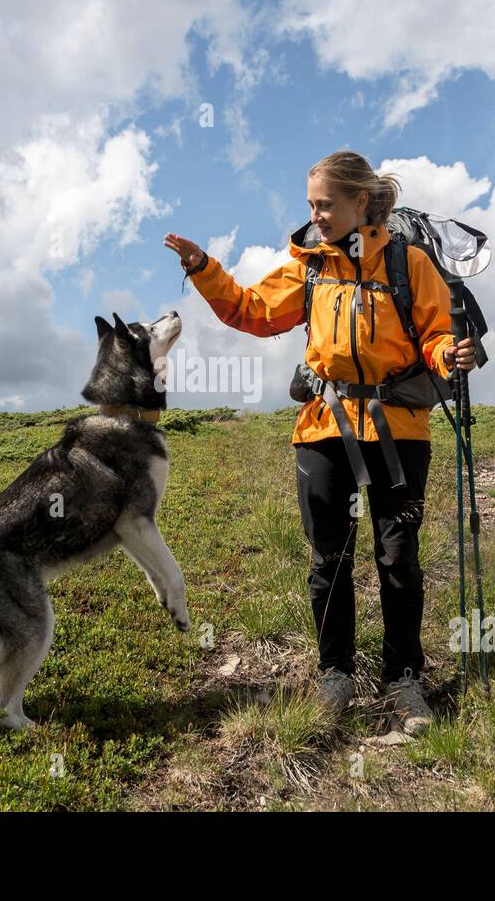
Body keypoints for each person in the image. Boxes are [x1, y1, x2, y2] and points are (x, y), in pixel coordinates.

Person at [164, 150, 476, 734]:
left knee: (399, 559)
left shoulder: (409, 266)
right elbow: (250, 312)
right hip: (323, 429)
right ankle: (335, 675)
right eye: (311, 204)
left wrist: (447, 353)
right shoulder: (309, 267)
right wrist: (204, 266)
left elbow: (436, 333)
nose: (317, 214)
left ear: (362, 201)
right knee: (328, 559)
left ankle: (404, 677)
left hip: (398, 432)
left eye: (326, 204)